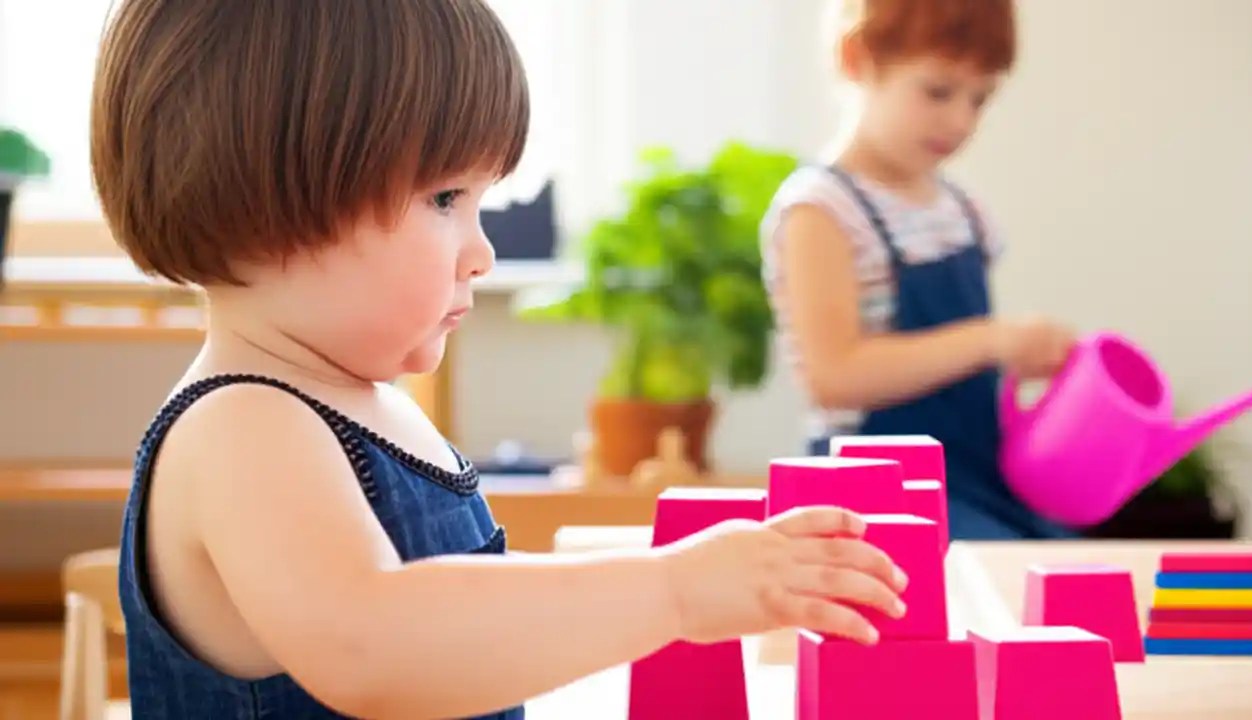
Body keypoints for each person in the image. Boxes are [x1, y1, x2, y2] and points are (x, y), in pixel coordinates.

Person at [90, 2, 909, 718]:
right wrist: (675, 590)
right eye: (446, 199)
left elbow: (459, 613)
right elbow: (374, 645)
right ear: (270, 194)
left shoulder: (362, 407)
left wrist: (651, 579)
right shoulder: (242, 426)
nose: (480, 252)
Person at [760, 0, 1077, 541]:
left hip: (976, 480)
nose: (961, 121)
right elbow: (834, 376)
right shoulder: (821, 209)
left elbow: (964, 370)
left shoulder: (963, 210)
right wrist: (990, 340)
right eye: (938, 91)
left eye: (980, 98)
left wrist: (1027, 358)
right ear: (857, 59)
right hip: (871, 491)